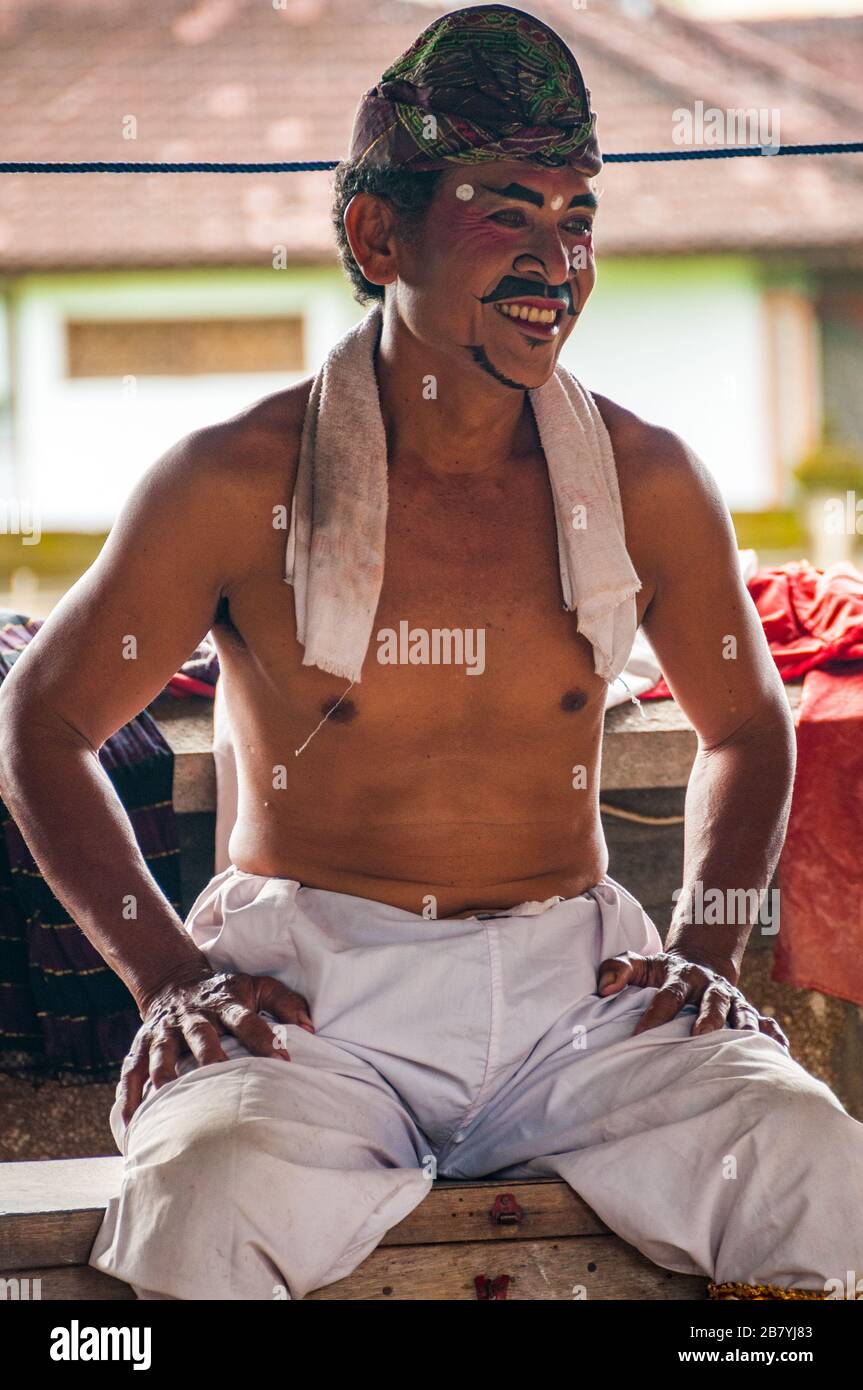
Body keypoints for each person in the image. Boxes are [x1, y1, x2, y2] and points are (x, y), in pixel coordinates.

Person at [0, 4, 860, 1301]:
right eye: (508, 211)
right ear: (375, 232)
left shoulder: (648, 480)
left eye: (578, 218)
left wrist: (707, 945)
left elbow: (747, 727)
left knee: (812, 1165)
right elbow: (41, 721)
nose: (555, 261)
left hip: (576, 990)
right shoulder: (232, 483)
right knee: (202, 1201)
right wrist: (167, 971)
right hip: (307, 1001)